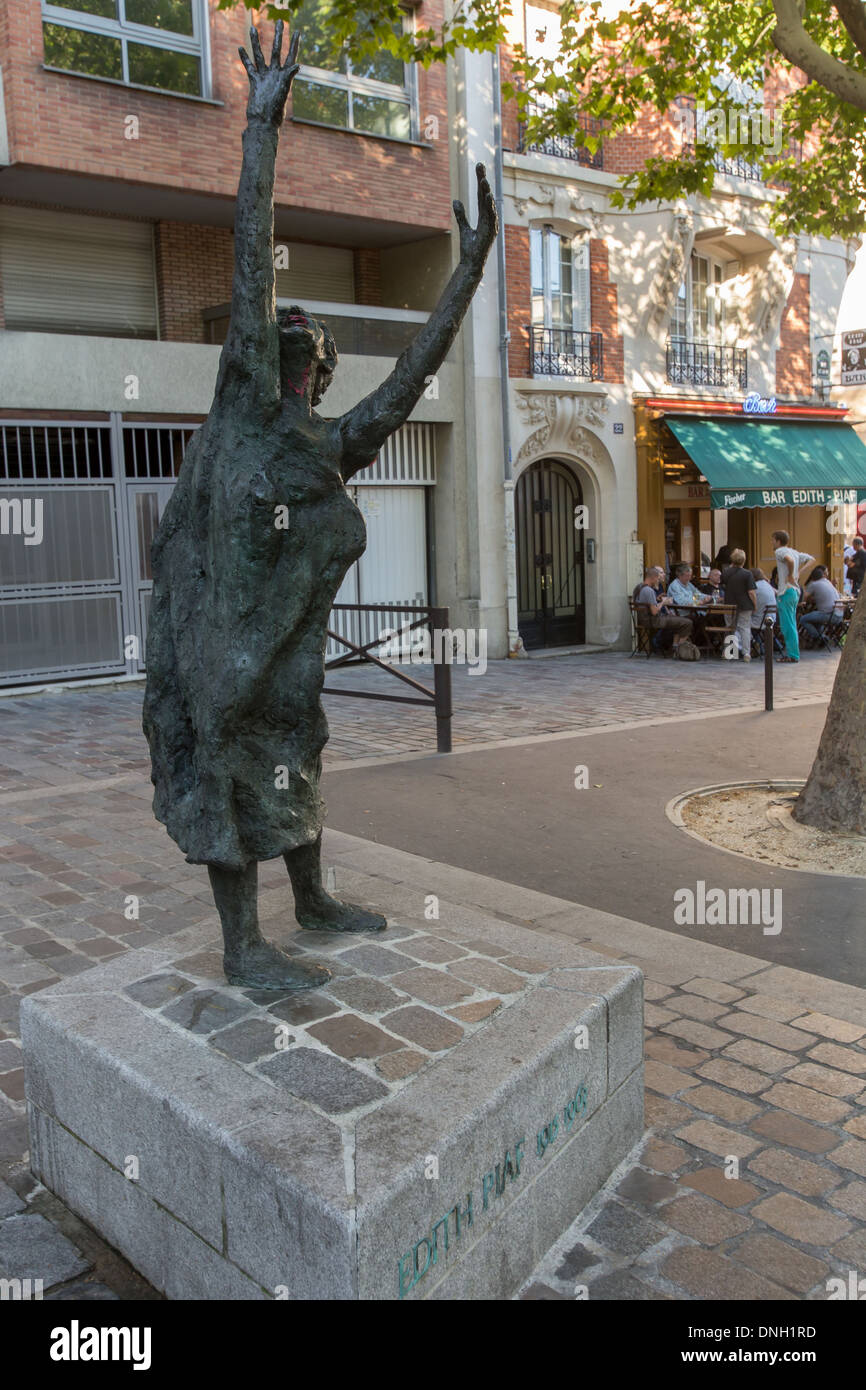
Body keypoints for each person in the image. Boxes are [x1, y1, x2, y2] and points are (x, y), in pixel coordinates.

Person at [142, 23, 498, 990]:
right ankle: (240, 945)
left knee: (292, 760)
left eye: (306, 347)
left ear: (322, 370)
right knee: (225, 775)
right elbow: (251, 256)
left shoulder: (327, 442)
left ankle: (309, 900)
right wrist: (263, 127)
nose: (292, 347)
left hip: (285, 661)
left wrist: (464, 280)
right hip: (227, 646)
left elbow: (411, 383)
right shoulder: (245, 405)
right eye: (285, 339)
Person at [772, 530, 814, 663]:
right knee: (791, 622)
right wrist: (799, 572)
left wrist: (790, 574)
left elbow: (789, 561)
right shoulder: (795, 552)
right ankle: (792, 653)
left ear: (778, 541)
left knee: (787, 624)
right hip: (795, 591)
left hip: (786, 591)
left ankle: (792, 655)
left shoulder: (780, 552)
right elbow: (811, 559)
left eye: (773, 540)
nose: (772, 543)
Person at [635, 567, 693, 653]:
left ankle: (674, 647)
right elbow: (654, 612)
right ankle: (679, 650)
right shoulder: (649, 591)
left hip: (642, 619)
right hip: (653, 620)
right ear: (654, 577)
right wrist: (663, 602)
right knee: (687, 622)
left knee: (677, 619)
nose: (658, 581)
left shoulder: (638, 588)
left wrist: (657, 600)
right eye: (658, 578)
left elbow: (648, 606)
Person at [723, 549, 757, 661]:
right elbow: (751, 592)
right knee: (745, 628)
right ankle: (746, 653)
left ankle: (730, 652)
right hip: (744, 604)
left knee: (730, 627)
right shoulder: (747, 574)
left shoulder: (726, 572)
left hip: (729, 603)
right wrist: (755, 605)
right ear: (744, 560)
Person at [800, 565, 841, 642]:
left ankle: (819, 637)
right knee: (817, 619)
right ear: (823, 575)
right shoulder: (828, 582)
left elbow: (804, 597)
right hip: (839, 615)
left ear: (813, 578)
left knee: (803, 619)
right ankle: (821, 638)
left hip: (829, 615)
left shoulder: (814, 584)